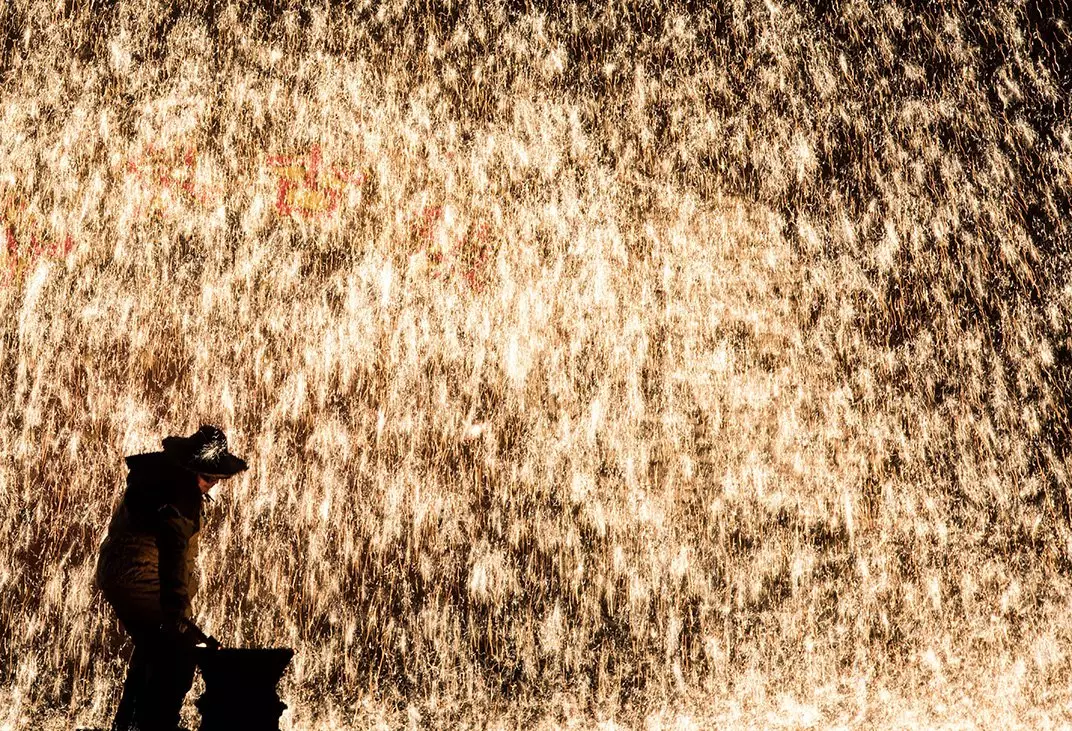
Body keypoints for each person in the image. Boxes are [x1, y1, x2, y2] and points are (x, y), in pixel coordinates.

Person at [95, 425, 247, 731]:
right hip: (137, 578)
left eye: (216, 479)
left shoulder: (166, 481)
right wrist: (176, 610)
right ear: (189, 469)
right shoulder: (178, 496)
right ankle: (157, 724)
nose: (211, 485)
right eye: (207, 477)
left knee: (153, 652)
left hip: (124, 573)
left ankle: (130, 724)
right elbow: (174, 554)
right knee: (175, 655)